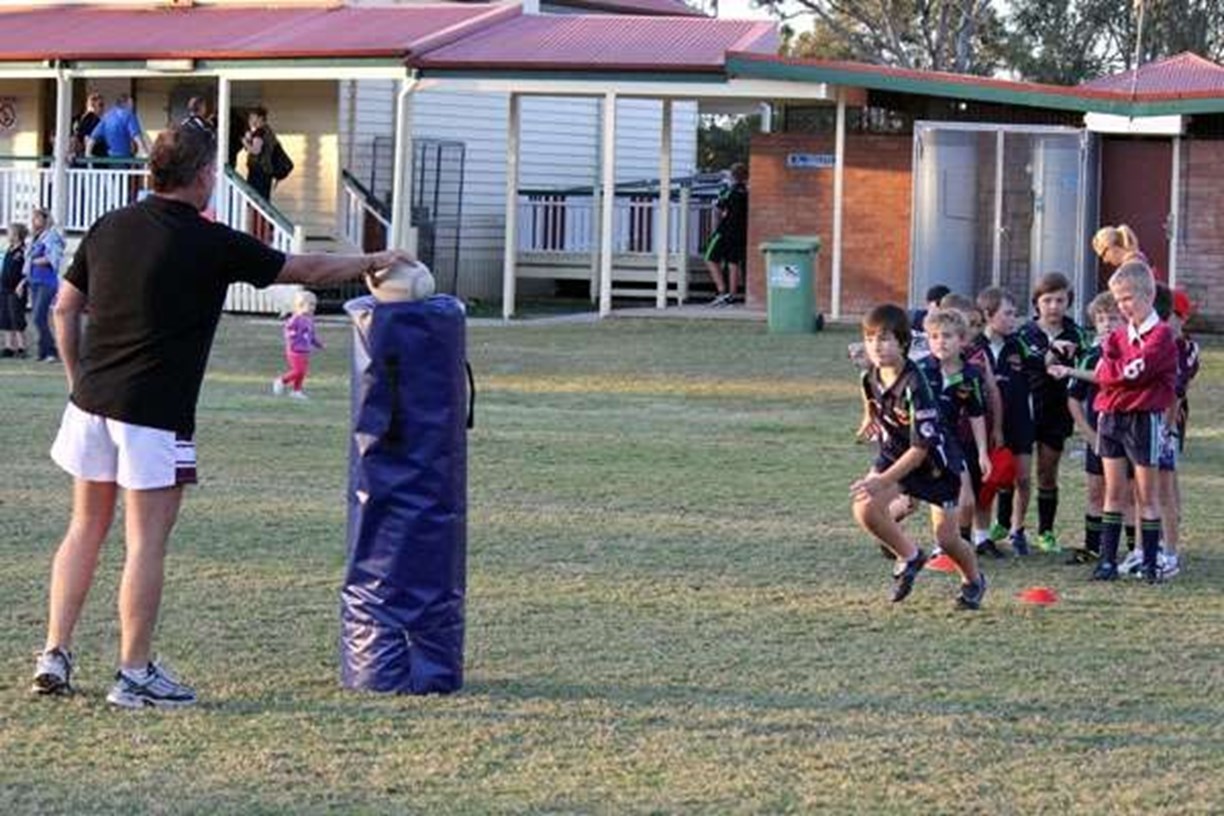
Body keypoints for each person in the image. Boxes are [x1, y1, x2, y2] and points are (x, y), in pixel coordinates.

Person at [30, 124, 411, 708]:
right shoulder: (211, 242)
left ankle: (53, 654)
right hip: (153, 414)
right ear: (205, 175)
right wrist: (378, 258)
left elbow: (64, 309)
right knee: (145, 543)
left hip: (91, 406)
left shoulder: (110, 225)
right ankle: (133, 676)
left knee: (85, 527)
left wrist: (77, 381)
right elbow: (305, 270)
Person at [851, 303, 987, 610]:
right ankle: (911, 556)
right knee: (865, 509)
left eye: (885, 339)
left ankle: (973, 580)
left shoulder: (916, 383)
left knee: (948, 538)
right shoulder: (870, 375)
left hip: (935, 463)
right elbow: (869, 393)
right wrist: (869, 416)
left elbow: (921, 449)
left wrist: (882, 481)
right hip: (895, 453)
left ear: (903, 343)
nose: (876, 346)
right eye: (871, 338)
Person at [1090, 261, 1177, 584]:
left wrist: (1114, 374)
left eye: (1128, 298)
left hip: (1143, 420)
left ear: (1148, 294)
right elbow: (1103, 372)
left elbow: (1135, 370)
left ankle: (1151, 564)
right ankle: (1107, 562)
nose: (1124, 306)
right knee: (1114, 491)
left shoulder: (1162, 335)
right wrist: (1114, 374)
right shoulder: (1118, 335)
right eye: (1119, 300)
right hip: (1111, 417)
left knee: (1146, 494)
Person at [1048, 291, 1124, 565]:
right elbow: (1074, 399)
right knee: (1096, 490)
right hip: (1098, 435)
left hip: (1126, 433)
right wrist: (1088, 434)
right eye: (1101, 319)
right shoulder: (1090, 356)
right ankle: (1093, 547)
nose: (1107, 324)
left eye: (1114, 318)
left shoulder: (1129, 352)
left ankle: (1129, 549)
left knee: (1126, 493)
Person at [1017, 272, 1089, 554]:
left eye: (1060, 300)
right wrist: (1048, 349)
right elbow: (1024, 362)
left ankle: (1045, 532)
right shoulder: (1024, 332)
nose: (1054, 306)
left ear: (1068, 302)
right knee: (1018, 475)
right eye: (1048, 300)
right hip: (1024, 410)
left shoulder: (1076, 334)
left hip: (1057, 412)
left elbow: (1086, 368)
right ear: (1037, 303)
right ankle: (1012, 527)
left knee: (1047, 473)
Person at [919, 308, 993, 557]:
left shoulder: (970, 375)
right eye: (935, 336)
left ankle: (956, 546)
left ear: (962, 340)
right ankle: (887, 532)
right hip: (919, 442)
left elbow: (976, 414)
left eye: (948, 336)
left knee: (966, 501)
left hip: (949, 443)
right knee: (906, 504)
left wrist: (983, 452)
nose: (941, 342)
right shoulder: (919, 370)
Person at [977, 286, 1037, 556]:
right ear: (988, 315)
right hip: (986, 424)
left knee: (1023, 478)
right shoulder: (974, 346)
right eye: (1008, 314)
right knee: (989, 481)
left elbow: (1041, 364)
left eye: (1016, 314)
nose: (1014, 320)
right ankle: (982, 535)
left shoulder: (1019, 344)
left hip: (1020, 421)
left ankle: (1017, 529)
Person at [703, 163, 748, 307]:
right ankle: (731, 296)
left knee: (709, 257)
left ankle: (722, 291)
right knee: (733, 263)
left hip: (725, 230)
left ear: (732, 176)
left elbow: (718, 209)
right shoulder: (747, 192)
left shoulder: (729, 191)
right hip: (741, 232)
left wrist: (715, 228)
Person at [23, 208, 64, 362]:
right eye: (33, 219)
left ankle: (51, 351)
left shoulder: (51, 236)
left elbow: (53, 257)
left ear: (45, 220)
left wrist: (36, 261)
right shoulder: (35, 238)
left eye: (37, 218)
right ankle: (43, 351)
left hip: (47, 282)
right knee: (36, 317)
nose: (34, 222)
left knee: (39, 316)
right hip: (35, 280)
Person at [273, 289, 323, 400]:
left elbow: (311, 335)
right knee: (298, 371)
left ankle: (297, 391)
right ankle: (282, 380)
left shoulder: (309, 320)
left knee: (302, 372)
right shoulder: (295, 319)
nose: (313, 307)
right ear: (300, 305)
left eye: (314, 305)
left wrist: (318, 344)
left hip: (305, 350)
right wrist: (292, 338)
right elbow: (288, 330)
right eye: (310, 304)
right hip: (295, 350)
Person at [86, 93, 149, 163]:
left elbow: (92, 138)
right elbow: (136, 136)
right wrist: (145, 153)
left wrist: (88, 154)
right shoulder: (128, 115)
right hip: (125, 159)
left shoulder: (107, 117)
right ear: (127, 104)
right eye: (131, 105)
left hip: (110, 160)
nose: (132, 108)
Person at [0, 223, 29, 358]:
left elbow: (27, 271)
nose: (7, 234)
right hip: (4, 288)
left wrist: (21, 284)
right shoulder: (9, 249)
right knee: (5, 317)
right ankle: (8, 347)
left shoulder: (23, 251)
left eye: (10, 232)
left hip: (16, 289)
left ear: (17, 235)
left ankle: (21, 347)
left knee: (16, 317)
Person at [241, 105, 276, 201]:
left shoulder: (260, 132)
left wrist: (244, 142)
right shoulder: (267, 130)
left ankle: (254, 216)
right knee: (262, 201)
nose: (251, 120)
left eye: (253, 117)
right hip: (265, 171)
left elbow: (256, 150)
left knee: (254, 201)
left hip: (259, 171)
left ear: (260, 118)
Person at [70, 93, 106, 165]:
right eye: (100, 105)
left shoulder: (83, 118)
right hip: (92, 157)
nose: (102, 109)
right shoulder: (93, 119)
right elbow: (86, 138)